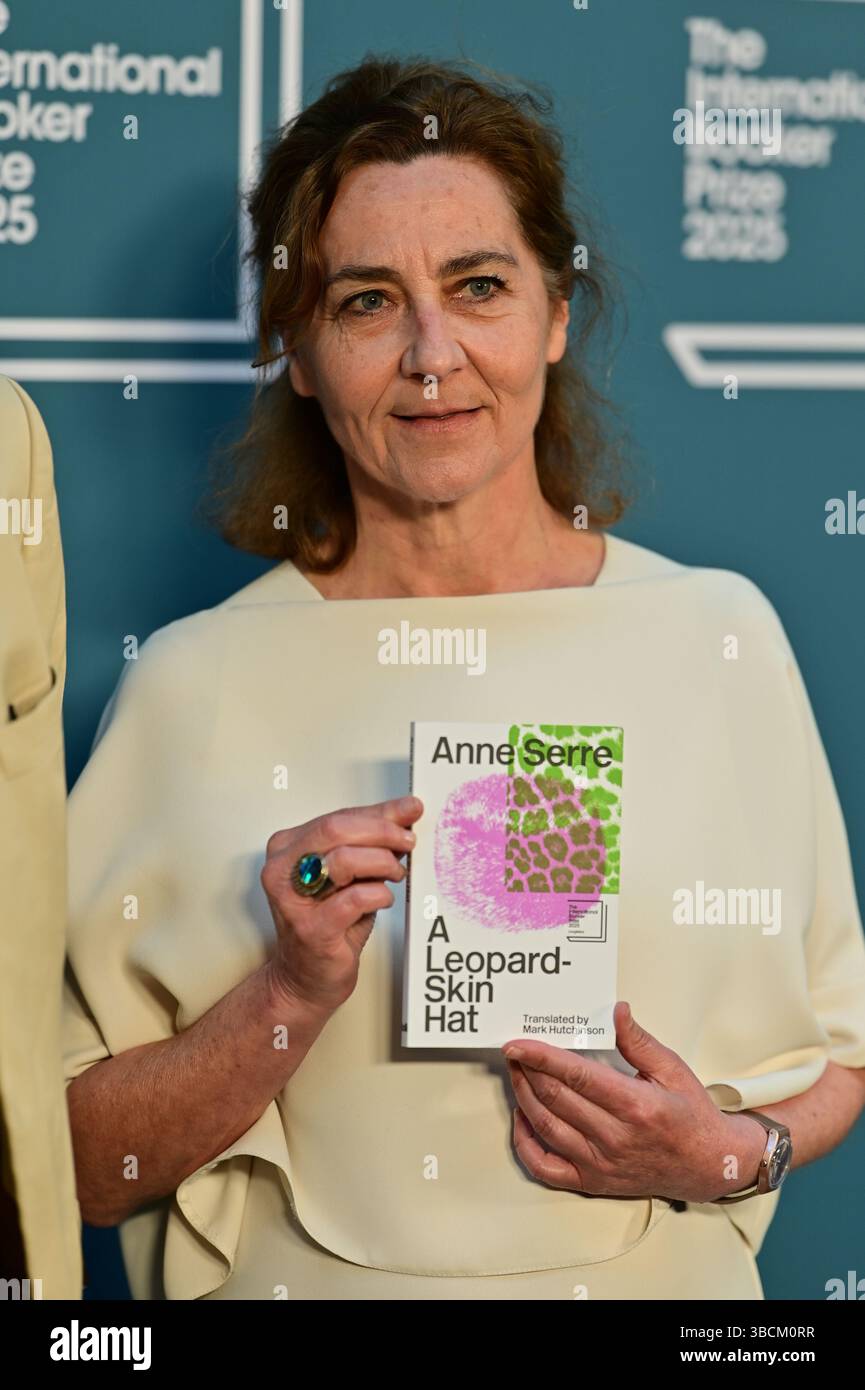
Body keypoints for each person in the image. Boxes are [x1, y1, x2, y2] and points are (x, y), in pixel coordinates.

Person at [62, 56, 865, 1301]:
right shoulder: (191, 682)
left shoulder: (719, 637)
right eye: (369, 302)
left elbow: (839, 1057)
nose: (433, 356)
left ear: (553, 311)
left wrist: (723, 1154)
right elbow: (73, 1174)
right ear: (303, 351)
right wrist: (287, 990)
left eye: (477, 286)